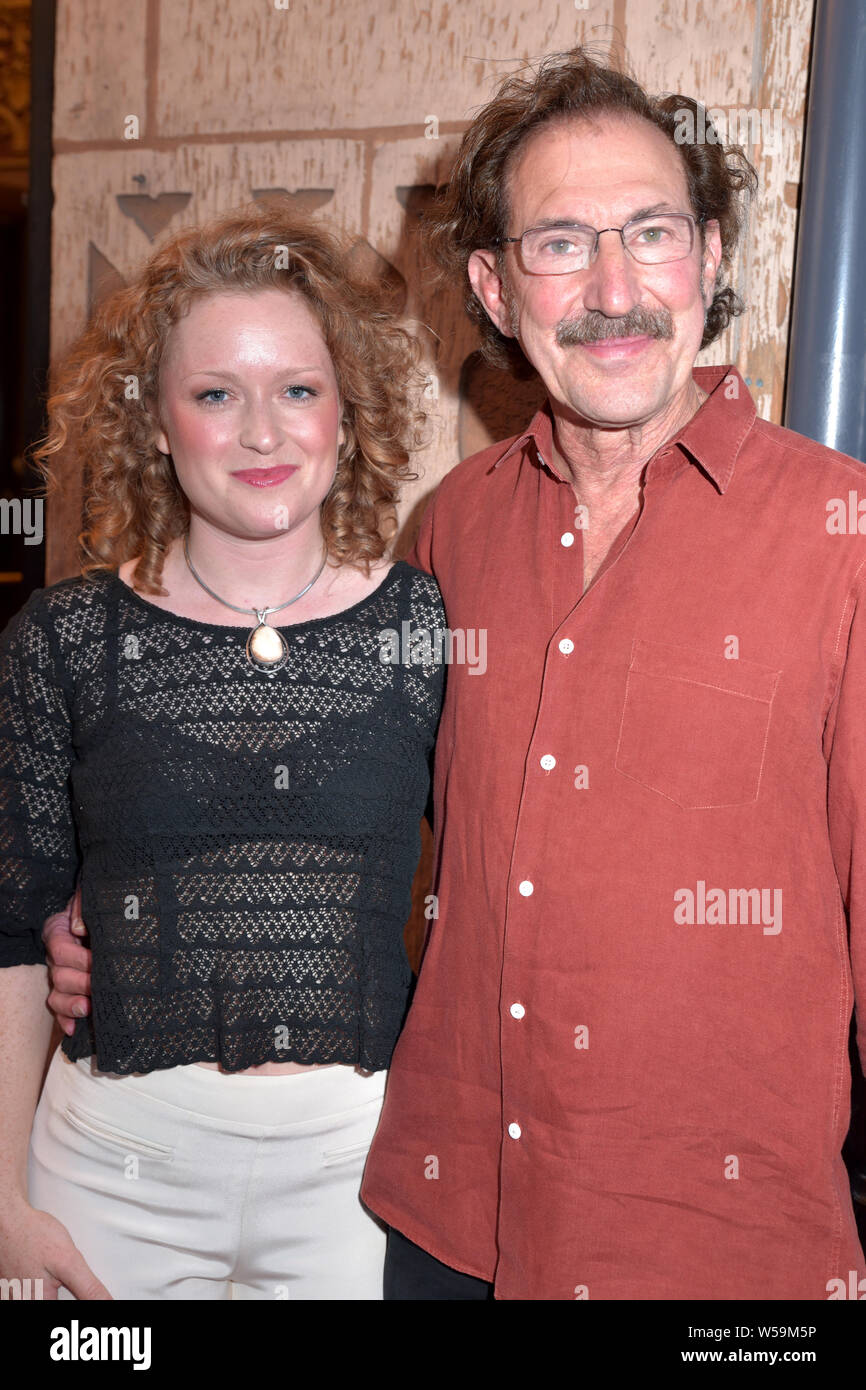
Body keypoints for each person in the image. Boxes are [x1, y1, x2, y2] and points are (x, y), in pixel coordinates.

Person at [0, 199, 444, 1301]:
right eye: (214, 394)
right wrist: (0, 1199)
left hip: (355, 1169)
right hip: (111, 1164)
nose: (262, 433)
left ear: (346, 413)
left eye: (297, 390)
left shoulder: (429, 631)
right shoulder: (60, 639)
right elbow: (14, 932)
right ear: (153, 419)